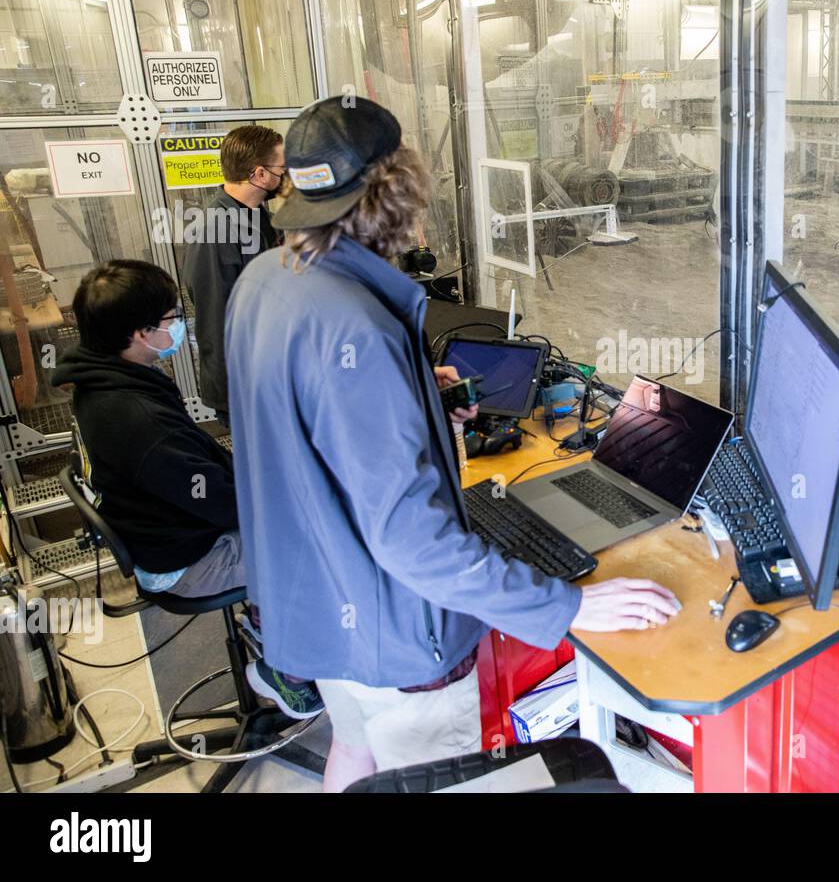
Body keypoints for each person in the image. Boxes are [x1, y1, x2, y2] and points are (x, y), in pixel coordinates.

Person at [225, 96, 680, 791]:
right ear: (397, 190)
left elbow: (298, 422)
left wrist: (412, 398)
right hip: (396, 639)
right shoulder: (356, 328)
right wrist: (569, 607)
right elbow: (413, 543)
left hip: (316, 607)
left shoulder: (266, 279)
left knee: (357, 753)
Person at [52, 260, 322, 720]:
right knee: (317, 547)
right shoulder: (137, 417)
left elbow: (196, 475)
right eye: (172, 318)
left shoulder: (101, 379)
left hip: (163, 532)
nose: (179, 325)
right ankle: (284, 669)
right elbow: (221, 504)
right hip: (184, 561)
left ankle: (265, 620)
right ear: (140, 332)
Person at [182, 125, 286, 426]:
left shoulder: (259, 217)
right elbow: (216, 322)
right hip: (244, 387)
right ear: (259, 174)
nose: (287, 174)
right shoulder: (215, 233)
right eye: (282, 167)